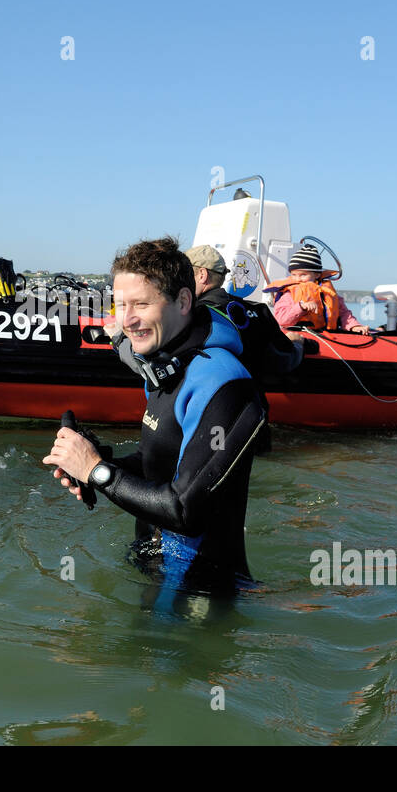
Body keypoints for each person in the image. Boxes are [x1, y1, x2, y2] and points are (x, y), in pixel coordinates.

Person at [42, 237, 266, 592]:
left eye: (141, 304)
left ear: (182, 301)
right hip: (158, 573)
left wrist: (97, 473)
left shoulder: (224, 383)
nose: (126, 321)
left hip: (199, 594)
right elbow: (157, 462)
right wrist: (98, 462)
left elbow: (185, 511)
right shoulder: (165, 366)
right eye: (120, 305)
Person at [110, 244, 303, 385]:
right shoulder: (257, 310)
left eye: (184, 273)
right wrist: (298, 344)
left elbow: (153, 365)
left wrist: (117, 339)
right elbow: (283, 360)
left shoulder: (197, 319)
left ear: (201, 275)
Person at [269, 243, 372, 335]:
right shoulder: (290, 293)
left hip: (327, 336)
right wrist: (301, 307)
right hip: (299, 336)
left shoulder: (328, 292)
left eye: (303, 275)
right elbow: (281, 319)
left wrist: (354, 326)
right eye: (294, 274)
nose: (298, 279)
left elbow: (344, 313)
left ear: (317, 274)